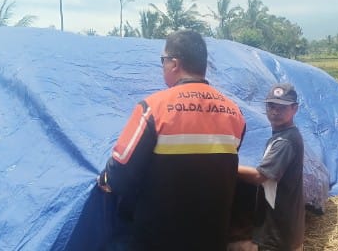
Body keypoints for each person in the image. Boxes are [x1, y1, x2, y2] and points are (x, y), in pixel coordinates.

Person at [97, 30, 246, 250]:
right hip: (211, 238)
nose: (163, 66)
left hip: (159, 240)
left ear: (174, 63)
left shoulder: (152, 109)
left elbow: (120, 174)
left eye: (163, 60)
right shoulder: (234, 113)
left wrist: (105, 179)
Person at [237, 82, 305, 251]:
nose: (275, 111)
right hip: (285, 227)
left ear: (295, 109)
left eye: (282, 107)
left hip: (279, 231)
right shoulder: (284, 135)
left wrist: (224, 165)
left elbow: (260, 176)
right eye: (271, 106)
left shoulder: (285, 141)